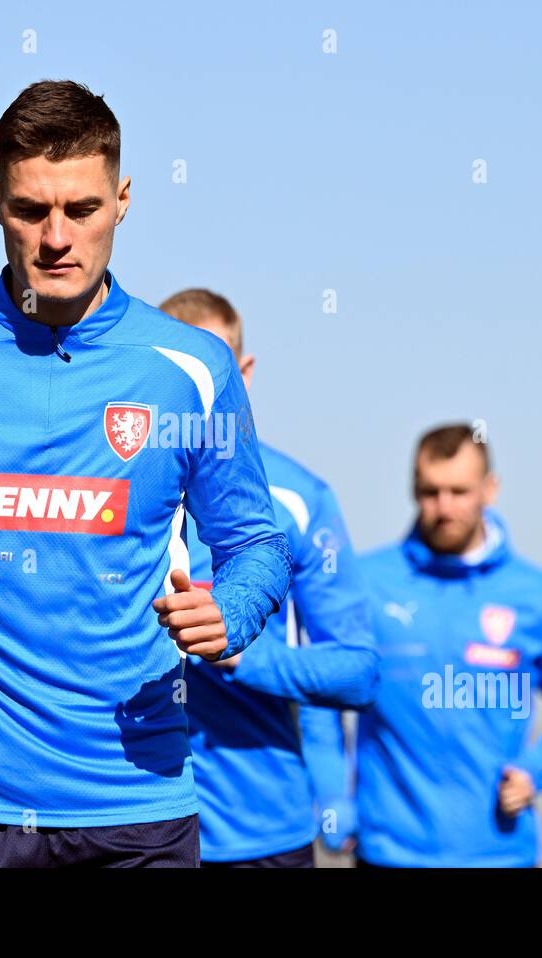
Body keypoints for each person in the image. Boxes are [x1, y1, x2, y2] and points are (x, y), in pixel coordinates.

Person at [0, 80, 291, 868]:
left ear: (124, 200)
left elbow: (256, 542)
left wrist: (232, 609)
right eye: (31, 210)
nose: (56, 237)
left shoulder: (191, 369)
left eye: (83, 209)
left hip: (138, 801)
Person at [313, 424, 542, 867]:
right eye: (430, 492)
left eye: (458, 491)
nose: (443, 507)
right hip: (389, 852)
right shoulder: (368, 584)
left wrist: (533, 772)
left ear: (491, 490)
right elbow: (321, 700)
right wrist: (334, 800)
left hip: (498, 854)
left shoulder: (541, 596)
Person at [160, 289, 378, 867]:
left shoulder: (300, 500)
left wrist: (240, 656)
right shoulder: (114, 487)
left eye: (217, 368)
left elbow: (357, 672)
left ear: (244, 372)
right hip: (127, 822)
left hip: (261, 838)